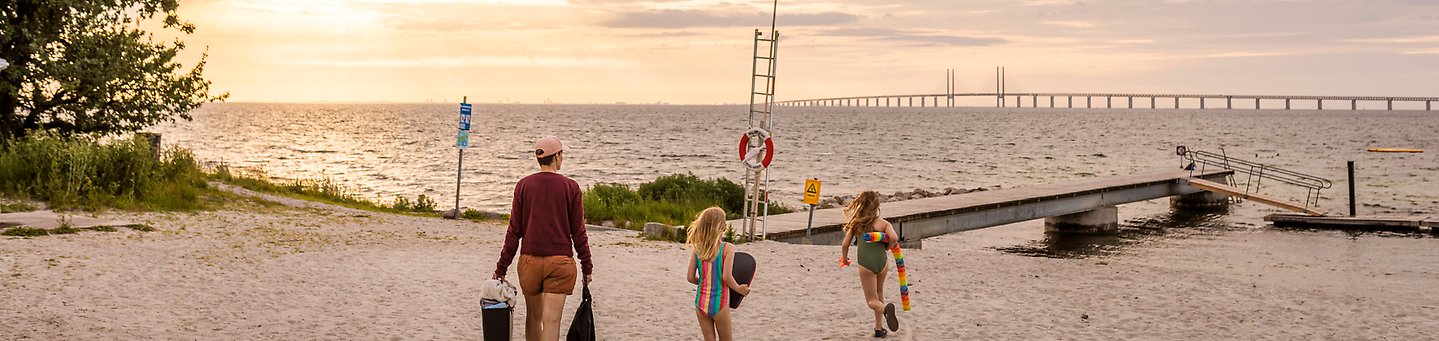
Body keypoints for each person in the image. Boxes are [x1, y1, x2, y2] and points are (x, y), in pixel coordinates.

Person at [493, 136, 594, 341]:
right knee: (552, 321)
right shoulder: (571, 187)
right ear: (556, 156)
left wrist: (501, 268)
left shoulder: (523, 185)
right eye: (562, 153)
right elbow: (579, 233)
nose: (562, 157)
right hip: (560, 263)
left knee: (533, 318)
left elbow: (514, 231)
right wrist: (587, 267)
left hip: (529, 262)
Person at [838, 190, 900, 338]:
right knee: (879, 292)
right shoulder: (884, 224)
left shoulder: (857, 224)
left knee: (871, 300)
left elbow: (845, 244)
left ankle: (885, 309)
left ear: (861, 205)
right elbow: (894, 237)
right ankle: (879, 328)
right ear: (877, 205)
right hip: (882, 262)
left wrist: (845, 259)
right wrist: (887, 247)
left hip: (866, 264)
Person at [685, 207, 751, 341]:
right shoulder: (727, 248)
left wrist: (705, 281)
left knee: (709, 338)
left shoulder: (697, 248)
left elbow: (690, 277)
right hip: (719, 303)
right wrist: (739, 289)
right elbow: (726, 277)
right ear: (723, 227)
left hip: (701, 302)